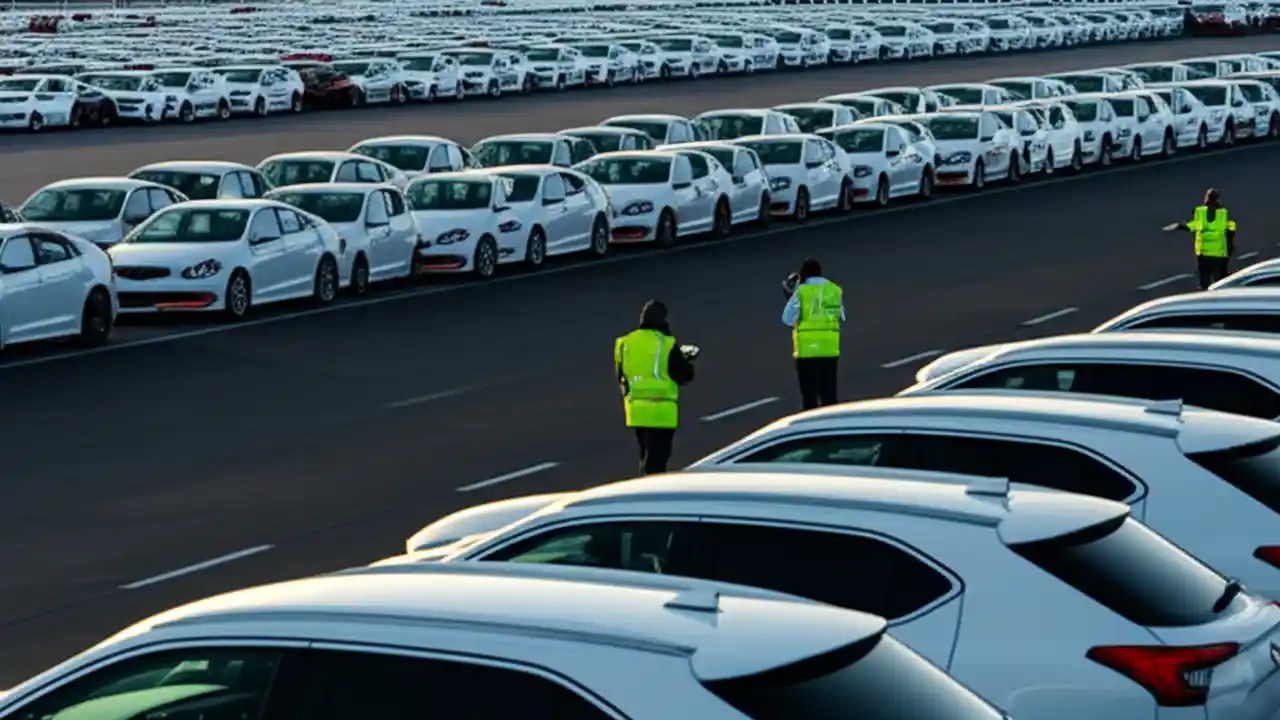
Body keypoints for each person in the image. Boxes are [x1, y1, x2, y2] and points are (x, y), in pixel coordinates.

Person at [615, 300, 695, 476]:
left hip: (636, 411)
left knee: (645, 456)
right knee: (657, 461)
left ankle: (645, 489)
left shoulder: (625, 342)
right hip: (660, 411)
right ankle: (651, 496)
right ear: (663, 320)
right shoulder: (665, 343)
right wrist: (686, 359)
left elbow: (621, 375)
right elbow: (685, 375)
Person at [782, 257, 845, 410]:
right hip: (829, 348)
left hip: (807, 350)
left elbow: (787, 319)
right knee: (829, 395)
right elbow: (841, 316)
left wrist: (791, 296)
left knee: (809, 396)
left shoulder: (802, 291)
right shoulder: (834, 290)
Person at [1165, 188, 1236, 290]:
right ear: (1217, 200)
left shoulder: (1200, 212)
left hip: (1203, 254)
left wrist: (1180, 226)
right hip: (1219, 253)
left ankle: (1203, 298)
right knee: (1221, 283)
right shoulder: (1223, 213)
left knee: (1204, 283)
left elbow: (1194, 226)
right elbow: (1231, 229)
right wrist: (1231, 245)